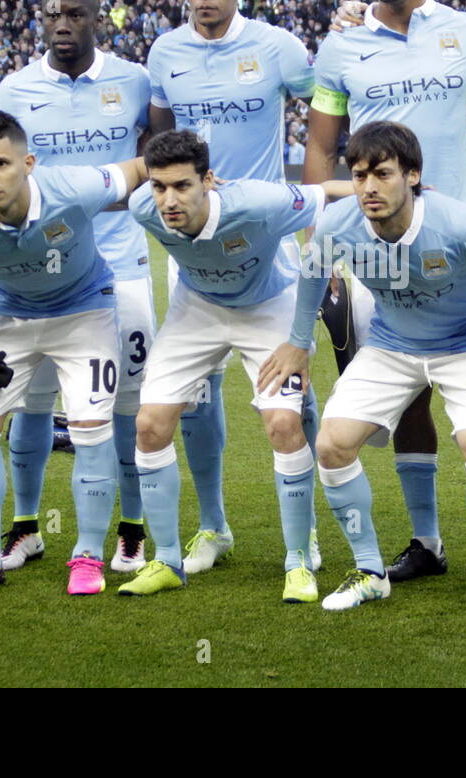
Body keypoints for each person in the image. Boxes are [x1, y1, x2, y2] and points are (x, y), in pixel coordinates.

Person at [305, 0, 466, 586]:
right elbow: (320, 151)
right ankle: (426, 542)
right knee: (406, 400)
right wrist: (343, 212)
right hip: (377, 254)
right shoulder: (342, 46)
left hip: (459, 246)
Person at [261, 121, 466, 617]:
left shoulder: (457, 222)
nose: (369, 187)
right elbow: (312, 272)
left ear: (413, 175)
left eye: (383, 174)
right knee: (331, 443)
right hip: (391, 345)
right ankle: (369, 571)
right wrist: (297, 344)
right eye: (360, 174)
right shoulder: (339, 222)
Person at [145, 0, 321, 577]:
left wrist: (316, 190)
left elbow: (326, 106)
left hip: (266, 238)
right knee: (193, 396)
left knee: (289, 401)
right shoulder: (164, 54)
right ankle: (213, 526)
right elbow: (158, 144)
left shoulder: (278, 46)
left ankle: (308, 533)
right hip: (193, 245)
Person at [0, 110, 146, 595]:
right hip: (8, 315)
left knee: (89, 428)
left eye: (0, 163)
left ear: (29, 163)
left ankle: (87, 555)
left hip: (85, 311)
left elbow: (142, 169)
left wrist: (201, 183)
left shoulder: (76, 187)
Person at [118, 130, 352, 600]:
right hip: (196, 309)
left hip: (268, 306)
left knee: (284, 423)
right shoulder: (143, 207)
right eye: (159, 187)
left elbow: (323, 194)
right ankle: (166, 560)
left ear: (208, 180)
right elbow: (122, 195)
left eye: (182, 186)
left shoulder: (259, 203)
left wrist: (404, 189)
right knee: (149, 424)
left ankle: (299, 559)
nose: (168, 200)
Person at [0, 0, 156, 576]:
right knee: (31, 406)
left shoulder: (133, 80)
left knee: (127, 407)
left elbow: (160, 159)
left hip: (122, 264)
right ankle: (27, 527)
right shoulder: (16, 88)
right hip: (39, 271)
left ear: (97, 19)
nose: (64, 24)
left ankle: (132, 529)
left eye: (77, 15)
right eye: (53, 14)